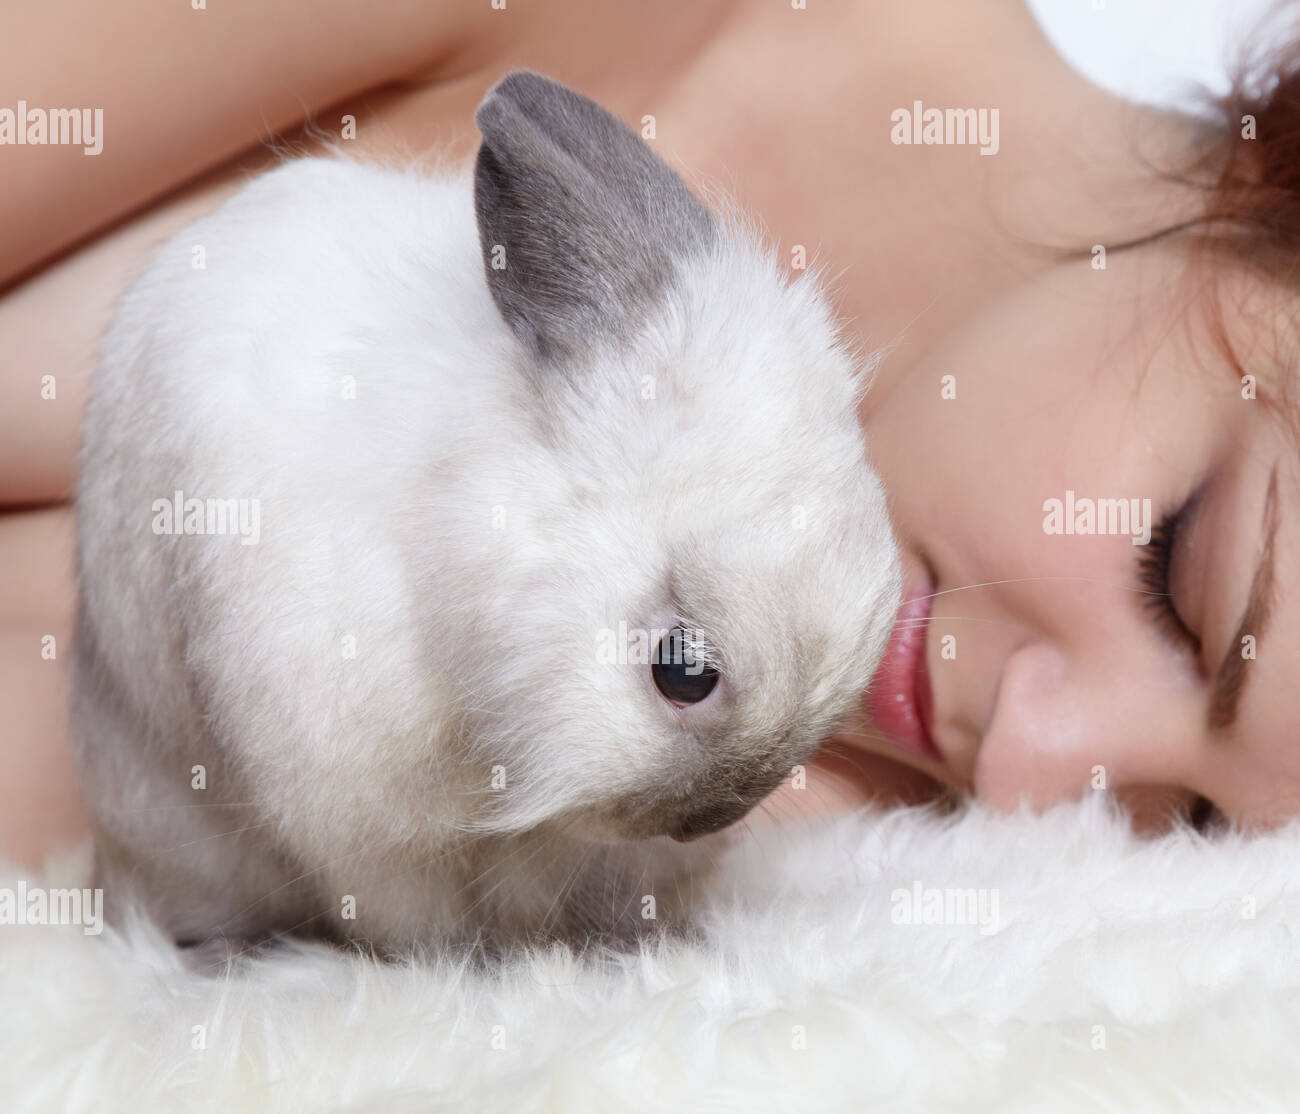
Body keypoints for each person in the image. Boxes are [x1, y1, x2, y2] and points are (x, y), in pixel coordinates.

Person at [2, 0, 1295, 866]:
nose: (1025, 761)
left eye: (1188, 824)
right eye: (1178, 574)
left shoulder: (823, 855)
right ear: (1266, 185)